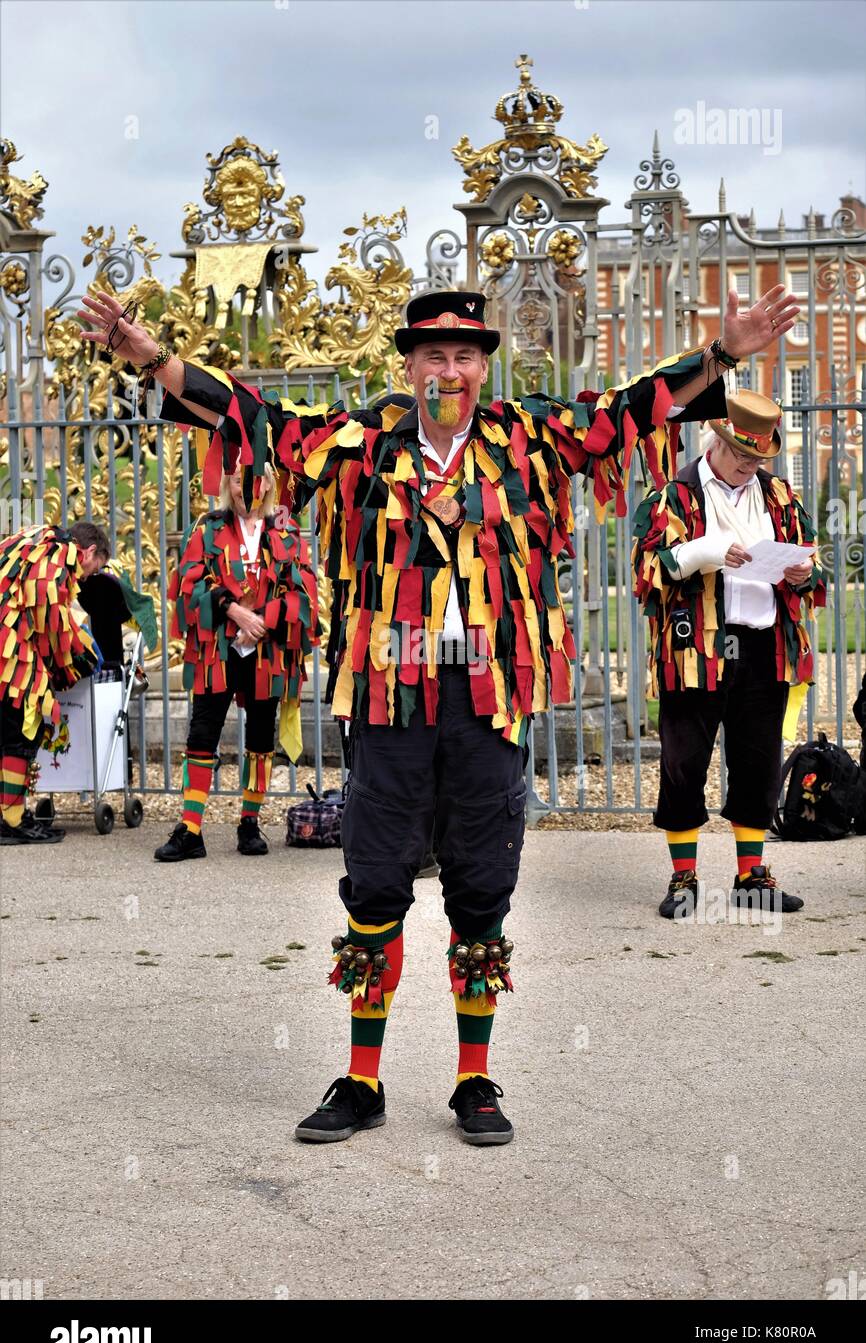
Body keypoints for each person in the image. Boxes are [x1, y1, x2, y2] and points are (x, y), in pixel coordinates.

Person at [79, 280, 799, 1144]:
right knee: (376, 881)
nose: (448, 370)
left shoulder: (527, 438)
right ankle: (361, 1079)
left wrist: (723, 353)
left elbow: (628, 413)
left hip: (489, 699)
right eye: (432, 356)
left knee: (482, 886)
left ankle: (475, 1080)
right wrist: (149, 358)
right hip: (387, 696)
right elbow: (251, 416)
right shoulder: (362, 443)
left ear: (482, 369)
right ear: (410, 366)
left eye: (464, 356)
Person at [632, 390, 825, 919]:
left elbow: (814, 563)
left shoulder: (780, 496)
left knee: (759, 762)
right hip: (696, 647)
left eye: (759, 459)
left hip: (764, 646)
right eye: (742, 455)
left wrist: (807, 574)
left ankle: (751, 876)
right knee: (683, 763)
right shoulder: (674, 496)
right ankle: (683, 879)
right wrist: (704, 553)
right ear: (715, 440)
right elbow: (646, 572)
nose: (750, 466)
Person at [154, 460, 318, 861]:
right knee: (203, 730)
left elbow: (304, 592)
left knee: (262, 732)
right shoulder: (207, 528)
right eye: (238, 478)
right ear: (228, 482)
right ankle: (190, 828)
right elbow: (189, 586)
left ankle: (250, 821)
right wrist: (232, 610)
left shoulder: (287, 529)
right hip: (218, 646)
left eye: (255, 478)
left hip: (267, 647)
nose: (247, 486)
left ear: (267, 484)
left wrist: (263, 620)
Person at [0, 520, 106, 845]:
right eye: (93, 569)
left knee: (10, 732)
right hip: (10, 651)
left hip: (8, 644)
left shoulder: (35, 539)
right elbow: (50, 620)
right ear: (88, 551)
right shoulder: (59, 555)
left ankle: (11, 814)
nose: (87, 577)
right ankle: (12, 819)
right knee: (20, 732)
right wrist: (76, 657)